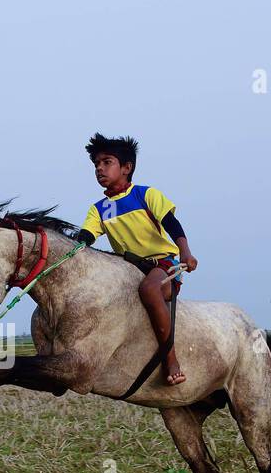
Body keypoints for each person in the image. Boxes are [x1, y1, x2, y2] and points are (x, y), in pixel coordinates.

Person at [74, 133, 197, 384]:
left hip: (163, 265)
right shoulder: (99, 208)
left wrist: (185, 252)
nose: (99, 168)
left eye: (106, 162)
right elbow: (87, 236)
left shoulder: (145, 194)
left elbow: (171, 223)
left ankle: (170, 358)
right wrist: (73, 245)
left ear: (127, 167)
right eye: (96, 164)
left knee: (150, 290)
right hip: (127, 270)